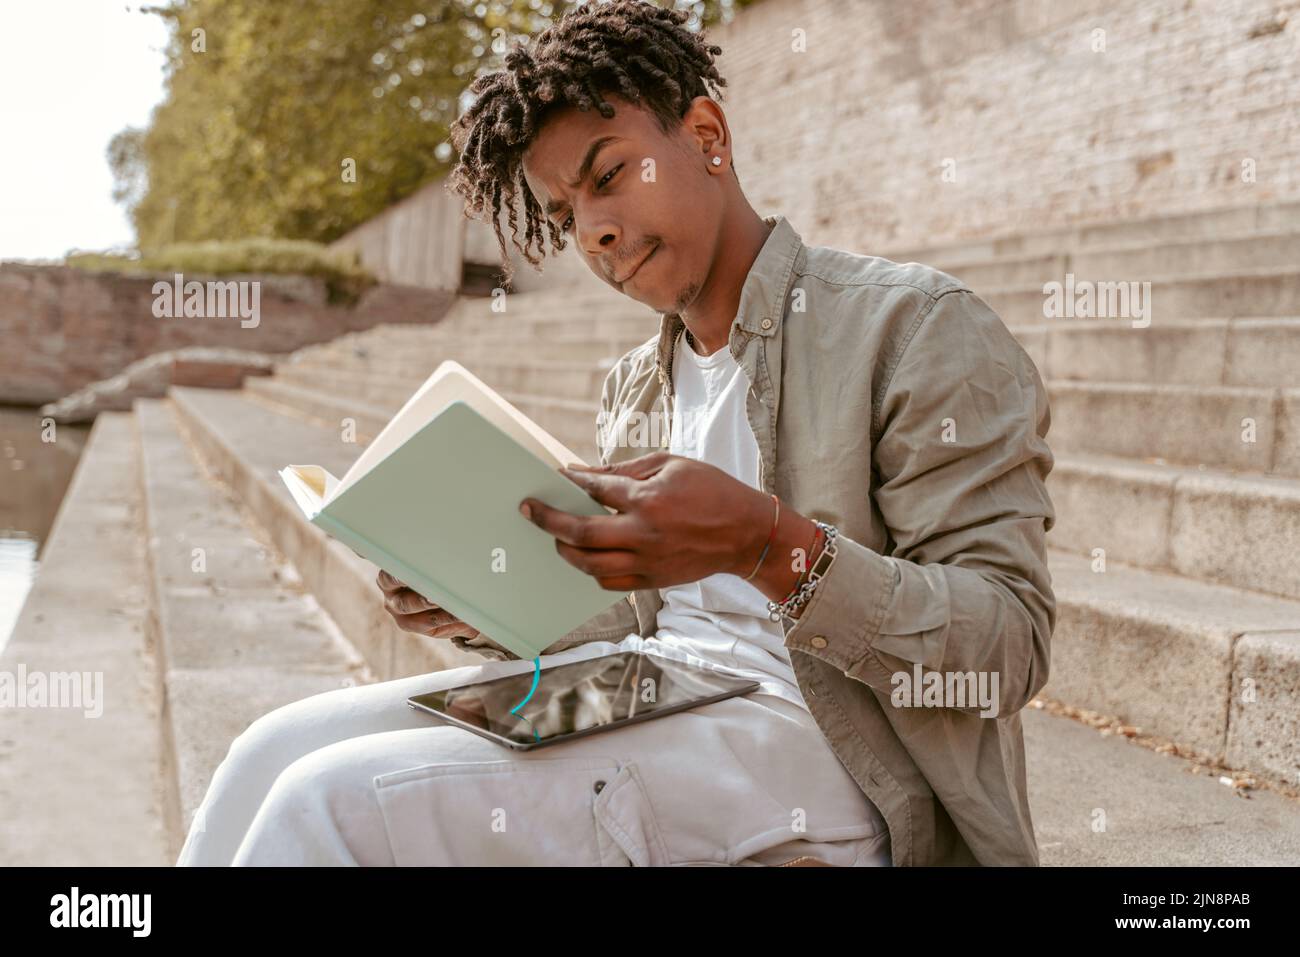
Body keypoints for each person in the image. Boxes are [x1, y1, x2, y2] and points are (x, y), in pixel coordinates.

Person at [178, 0, 1055, 867]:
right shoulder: (635, 385)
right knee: (269, 749)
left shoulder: (913, 326)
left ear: (707, 136)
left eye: (608, 175)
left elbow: (1008, 642)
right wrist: (479, 602)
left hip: (827, 754)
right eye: (564, 217)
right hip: (657, 690)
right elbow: (639, 623)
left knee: (326, 799)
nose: (594, 233)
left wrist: (768, 546)